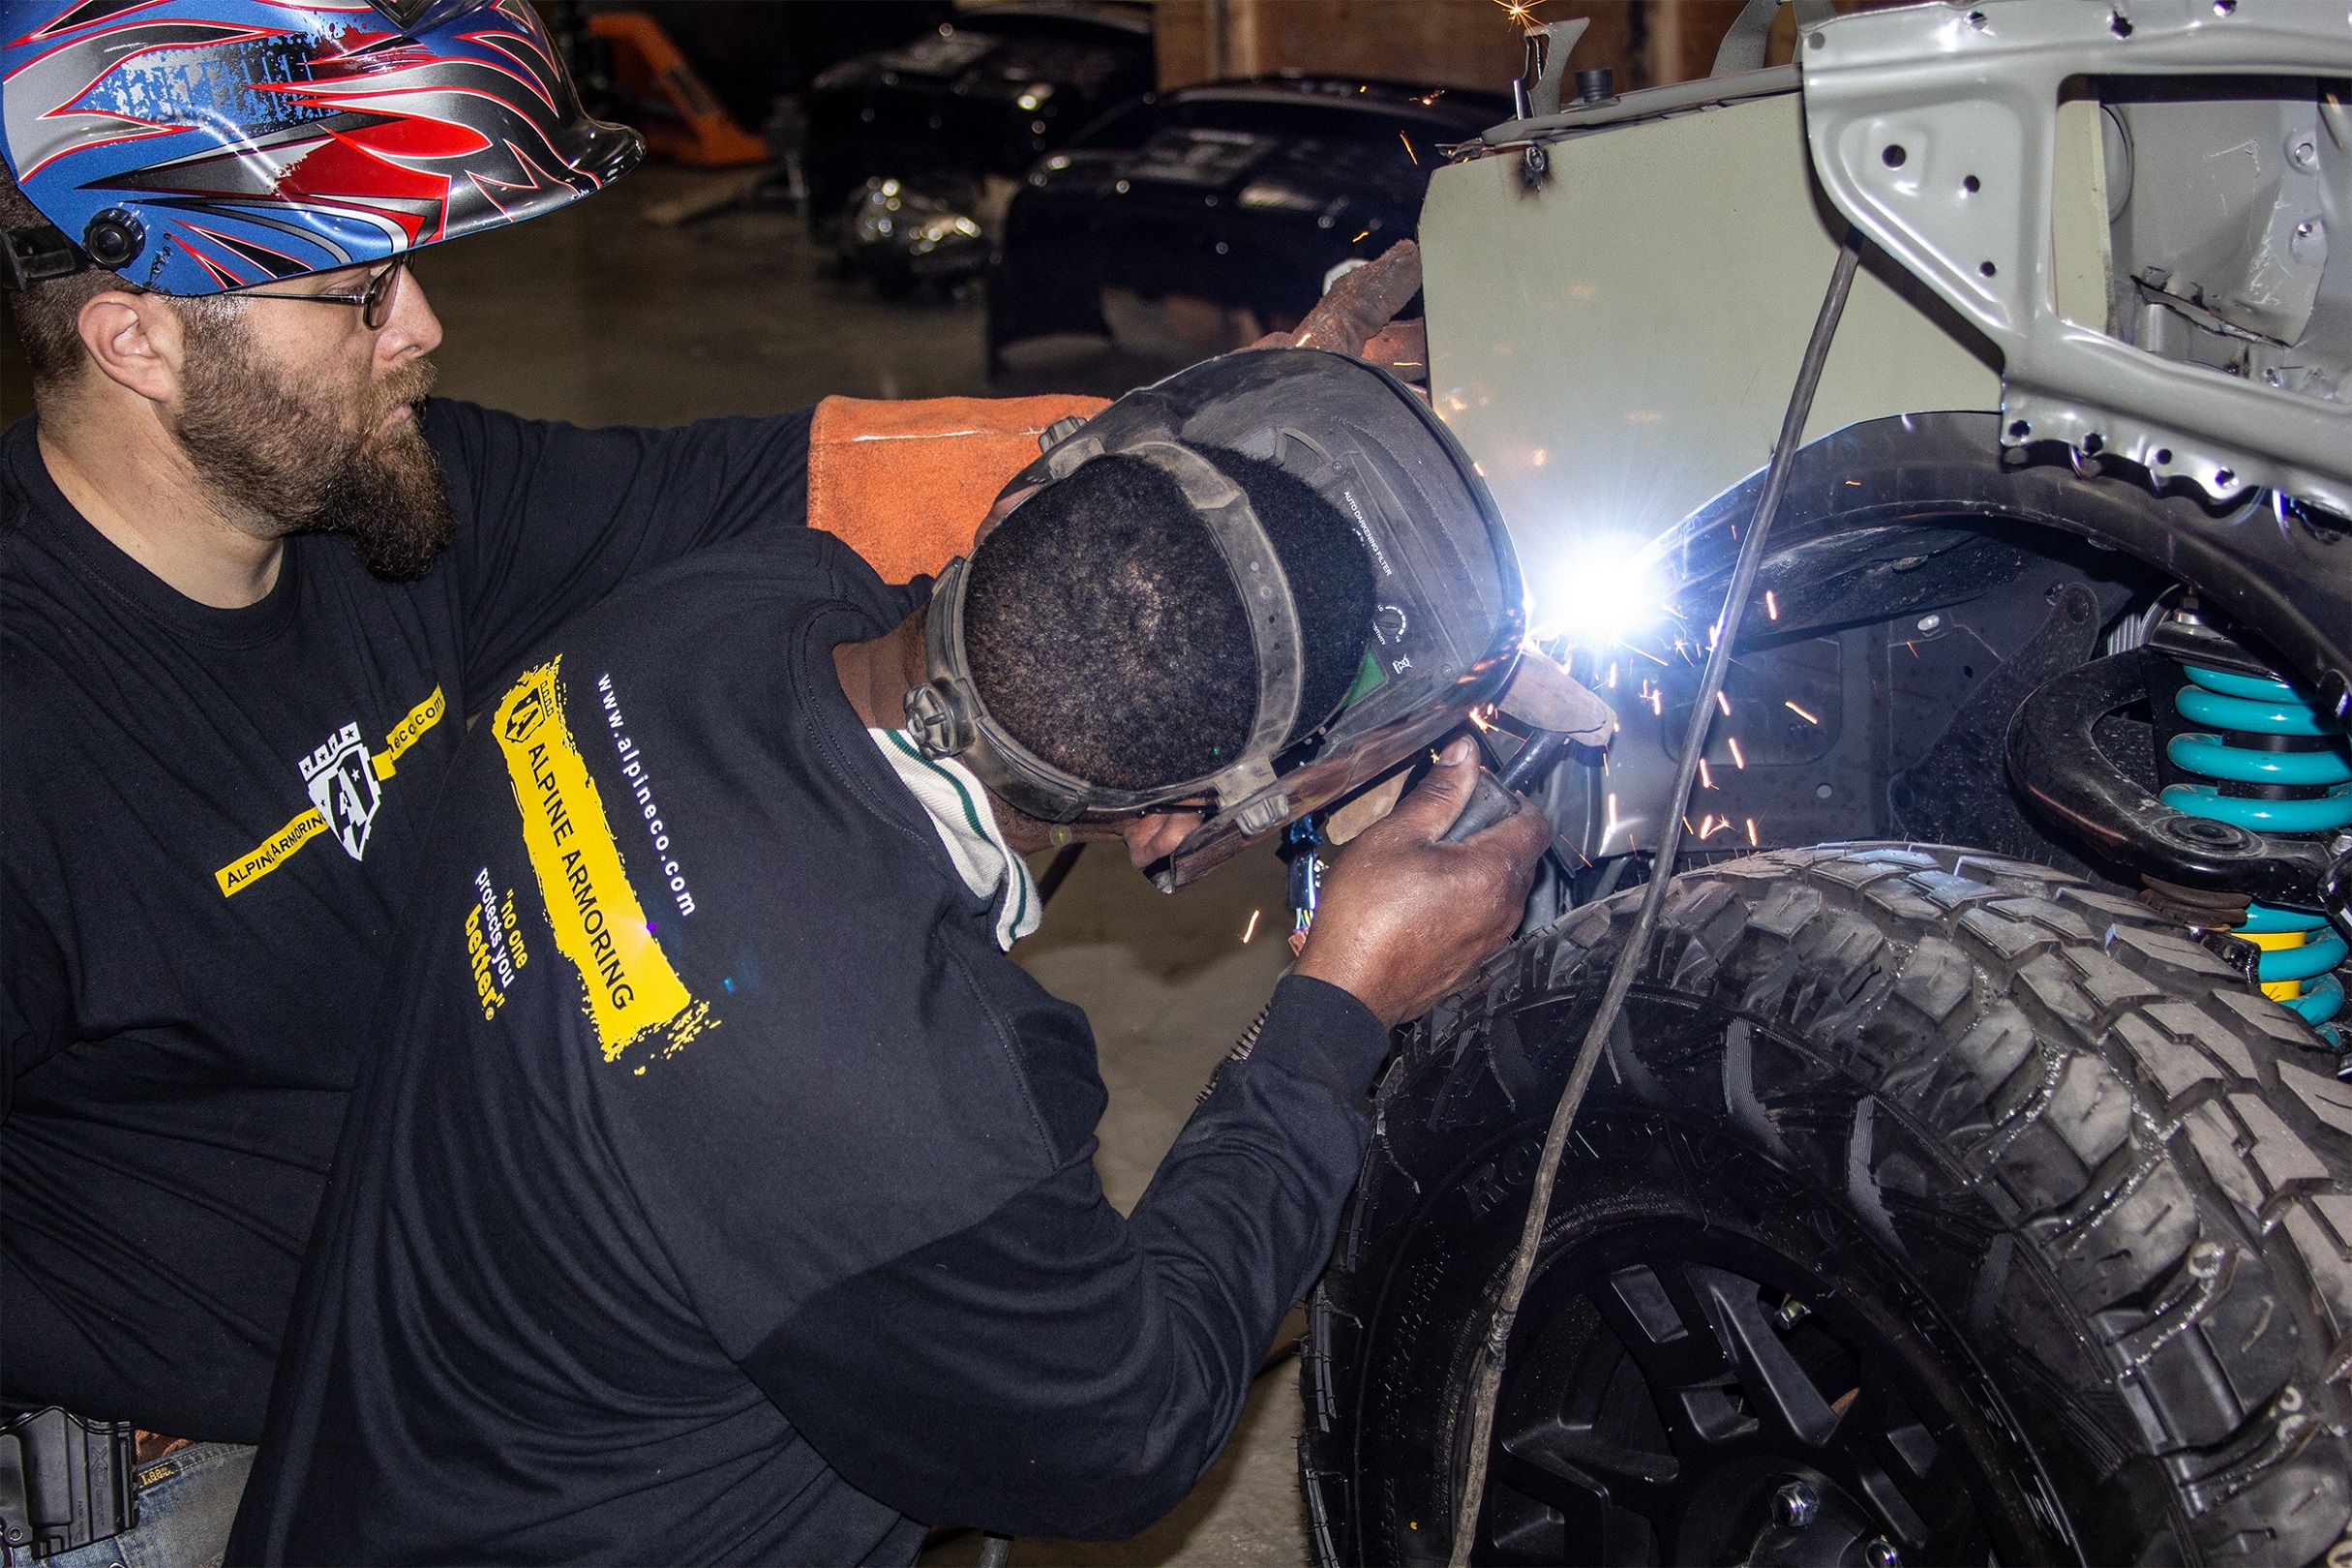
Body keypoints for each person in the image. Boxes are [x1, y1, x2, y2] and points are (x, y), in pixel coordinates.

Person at [225, 349, 1551, 1563]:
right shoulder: (905, 1103)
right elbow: (1115, 1434)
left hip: (374, 1486)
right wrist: (1337, 1005)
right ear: (1161, 820)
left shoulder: (711, 610)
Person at [0, 3, 840, 1557]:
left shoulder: (372, 512)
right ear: (141, 337)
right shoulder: (29, 728)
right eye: (360, 289)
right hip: (173, 1483)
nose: (424, 326)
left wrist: (1219, 433)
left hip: (422, 1375)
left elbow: (773, 477)